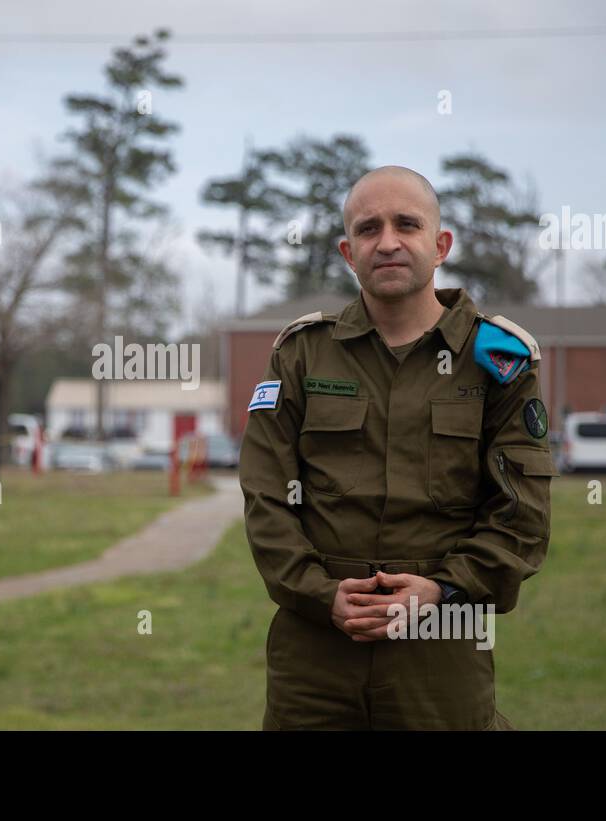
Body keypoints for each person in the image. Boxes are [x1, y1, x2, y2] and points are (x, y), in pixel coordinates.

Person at [238, 165, 558, 730]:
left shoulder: (498, 361)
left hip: (440, 644)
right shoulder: (302, 355)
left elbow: (522, 514)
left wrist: (443, 591)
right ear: (347, 251)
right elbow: (265, 498)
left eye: (406, 225)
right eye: (368, 229)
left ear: (440, 246)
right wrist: (320, 594)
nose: (386, 242)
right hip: (315, 648)